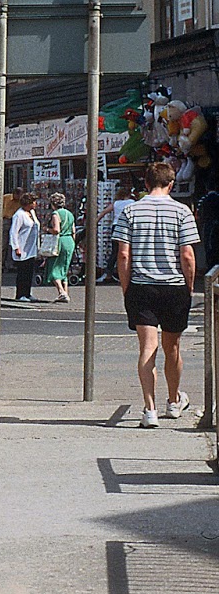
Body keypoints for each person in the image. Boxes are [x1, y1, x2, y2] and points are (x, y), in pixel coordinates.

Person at [112, 162, 201, 429]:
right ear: (171, 183)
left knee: (147, 347)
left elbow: (123, 254)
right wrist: (189, 286)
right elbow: (187, 255)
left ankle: (149, 409)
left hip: (142, 286)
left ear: (146, 183)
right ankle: (173, 402)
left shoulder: (130, 211)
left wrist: (126, 287)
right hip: (174, 286)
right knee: (172, 347)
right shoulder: (182, 211)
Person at [41, 191, 76, 302]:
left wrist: (46, 229)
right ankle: (65, 292)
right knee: (64, 267)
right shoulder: (69, 214)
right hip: (69, 241)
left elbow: (56, 230)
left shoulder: (55, 214)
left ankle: (61, 291)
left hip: (60, 241)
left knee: (54, 267)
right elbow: (73, 231)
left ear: (52, 204)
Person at [98, 183, 136, 282]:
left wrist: (94, 222)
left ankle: (108, 273)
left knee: (115, 252)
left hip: (116, 226)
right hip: (128, 226)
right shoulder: (132, 202)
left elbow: (103, 213)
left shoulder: (116, 203)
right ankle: (128, 272)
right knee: (129, 251)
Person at [9, 191, 40, 302]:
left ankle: (27, 293)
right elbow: (13, 232)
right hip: (22, 247)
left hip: (31, 247)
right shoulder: (19, 215)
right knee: (22, 272)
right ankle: (20, 294)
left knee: (29, 272)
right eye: (33, 201)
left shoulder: (32, 212)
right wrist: (16, 247)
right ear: (28, 203)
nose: (35, 203)